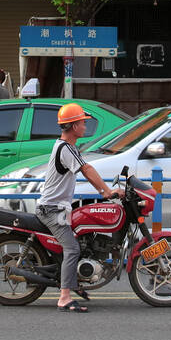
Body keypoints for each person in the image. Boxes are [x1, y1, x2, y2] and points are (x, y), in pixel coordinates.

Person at [39, 103, 122, 314]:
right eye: (83, 122)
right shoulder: (65, 148)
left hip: (57, 208)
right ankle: (64, 298)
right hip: (52, 210)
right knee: (72, 248)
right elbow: (86, 169)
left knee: (79, 242)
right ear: (74, 126)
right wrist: (105, 191)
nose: (85, 125)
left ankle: (74, 281)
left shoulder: (66, 147)